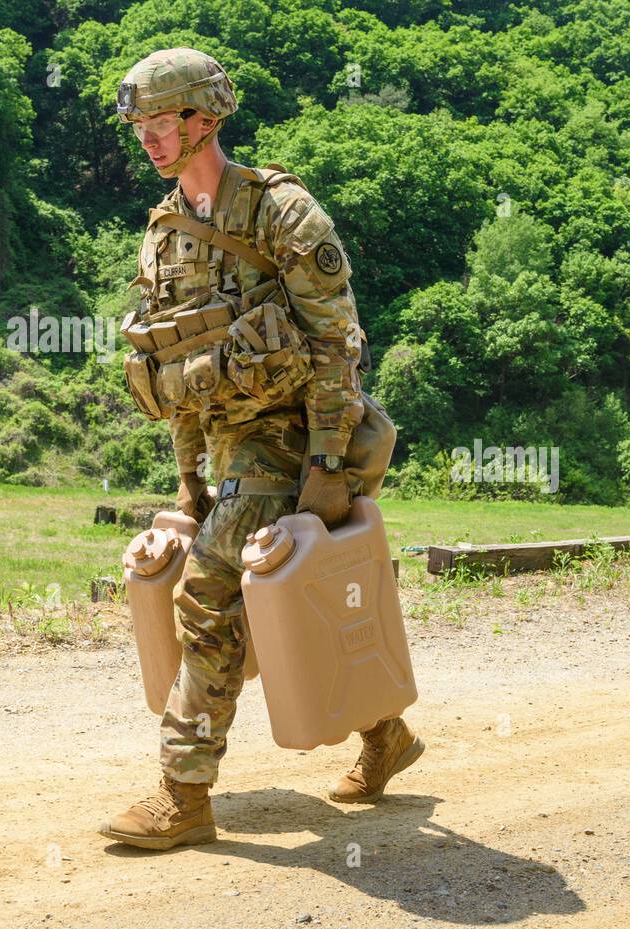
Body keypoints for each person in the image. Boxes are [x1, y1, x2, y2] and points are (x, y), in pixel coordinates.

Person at [101, 48, 422, 850]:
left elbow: (337, 344)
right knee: (275, 595)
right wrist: (187, 481)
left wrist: (325, 464)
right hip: (225, 440)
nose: (147, 136)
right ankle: (385, 734)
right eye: (138, 124)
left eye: (159, 120)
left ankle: (184, 794)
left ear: (204, 116)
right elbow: (172, 361)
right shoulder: (165, 236)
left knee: (209, 591)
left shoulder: (282, 211)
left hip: (290, 436)